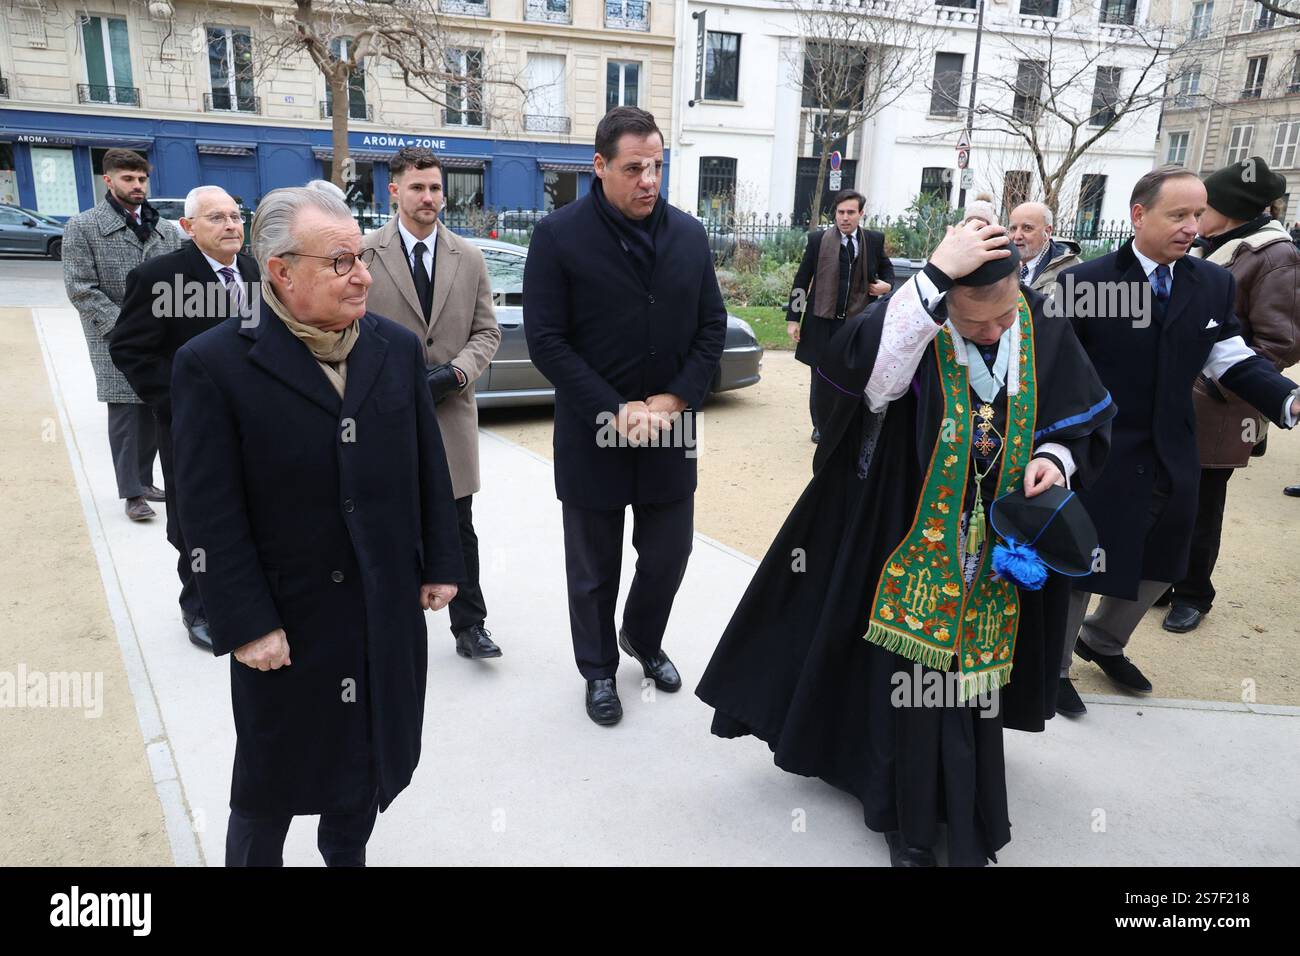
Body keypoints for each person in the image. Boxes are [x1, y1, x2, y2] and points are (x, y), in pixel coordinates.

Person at [697, 221, 1116, 866]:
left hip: (1001, 547)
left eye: (1005, 315)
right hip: (903, 531)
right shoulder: (911, 320)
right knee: (907, 673)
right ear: (944, 300)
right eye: (977, 323)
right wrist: (931, 280)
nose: (997, 331)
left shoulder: (1030, 316)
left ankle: (951, 791)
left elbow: (1079, 415)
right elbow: (873, 385)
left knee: (967, 674)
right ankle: (909, 816)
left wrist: (1055, 459)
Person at [169, 187, 464, 866]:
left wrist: (441, 560)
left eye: (359, 258)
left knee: (365, 764)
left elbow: (427, 462)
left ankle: (345, 853)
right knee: (268, 789)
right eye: (339, 263)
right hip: (288, 625)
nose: (361, 275)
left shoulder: (391, 347)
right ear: (280, 271)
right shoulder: (214, 366)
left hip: (382, 611)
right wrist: (244, 622)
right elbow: (206, 513)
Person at [1054, 165, 1300, 716]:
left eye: (1199, 214)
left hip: (1174, 447)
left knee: (1164, 558)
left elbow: (1229, 357)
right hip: (1100, 448)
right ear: (1139, 215)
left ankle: (1103, 641)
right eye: (1179, 215)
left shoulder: (1212, 283)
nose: (1193, 226)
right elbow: (1057, 370)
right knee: (1079, 561)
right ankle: (1054, 668)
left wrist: (1287, 398)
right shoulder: (1087, 285)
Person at [523, 106, 727, 726]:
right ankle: (598, 672)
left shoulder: (690, 236)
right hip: (592, 429)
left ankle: (641, 635)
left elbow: (712, 326)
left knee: (670, 553)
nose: (649, 179)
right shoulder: (558, 237)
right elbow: (547, 340)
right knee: (593, 569)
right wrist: (617, 409)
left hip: (672, 428)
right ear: (600, 167)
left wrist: (671, 402)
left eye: (657, 166)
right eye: (634, 167)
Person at [361, 147, 503, 660]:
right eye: (417, 187)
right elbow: (346, 329)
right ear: (394, 190)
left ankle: (471, 626)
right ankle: (388, 624)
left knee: (457, 525)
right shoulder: (361, 253)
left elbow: (487, 330)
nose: (429, 197)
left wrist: (458, 371)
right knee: (389, 525)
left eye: (436, 188)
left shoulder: (471, 256)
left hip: (450, 416)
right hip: (383, 417)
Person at [110, 186, 259, 651]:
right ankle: (197, 605)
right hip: (192, 427)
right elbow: (129, 349)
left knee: (250, 510)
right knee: (196, 519)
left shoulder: (251, 271)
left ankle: (245, 596)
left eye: (235, 216)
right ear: (189, 228)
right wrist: (182, 403)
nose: (232, 225)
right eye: (217, 218)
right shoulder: (160, 276)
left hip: (253, 425)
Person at [1161, 159, 1300, 633]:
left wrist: (1211, 384)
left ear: (1232, 211)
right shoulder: (1213, 246)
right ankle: (1164, 578)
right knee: (1169, 494)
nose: (1194, 219)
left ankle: (1195, 593)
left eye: (1205, 207)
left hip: (1220, 405)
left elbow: (1279, 343)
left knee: (1203, 504)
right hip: (1181, 396)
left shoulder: (1274, 255)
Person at [62, 148, 182, 521]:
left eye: (142, 179)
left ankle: (145, 481)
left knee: (155, 407)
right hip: (114, 337)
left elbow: (178, 281)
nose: (137, 186)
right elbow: (81, 288)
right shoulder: (82, 227)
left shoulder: (166, 230)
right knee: (126, 412)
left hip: (161, 336)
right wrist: (125, 328)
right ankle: (132, 494)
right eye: (128, 179)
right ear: (108, 180)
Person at [786, 188, 894, 443]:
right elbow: (802, 279)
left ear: (861, 214)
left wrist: (887, 286)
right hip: (821, 322)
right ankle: (820, 426)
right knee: (820, 376)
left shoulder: (873, 240)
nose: (845, 218)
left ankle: (846, 425)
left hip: (857, 322)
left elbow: (887, 271)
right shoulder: (817, 240)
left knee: (853, 376)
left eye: (850, 212)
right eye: (840, 212)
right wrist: (793, 318)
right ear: (835, 213)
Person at [1008, 201, 1081, 294]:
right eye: (1013, 229)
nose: (1017, 236)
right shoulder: (996, 263)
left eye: (1027, 228)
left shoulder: (1072, 270)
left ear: (1047, 232)